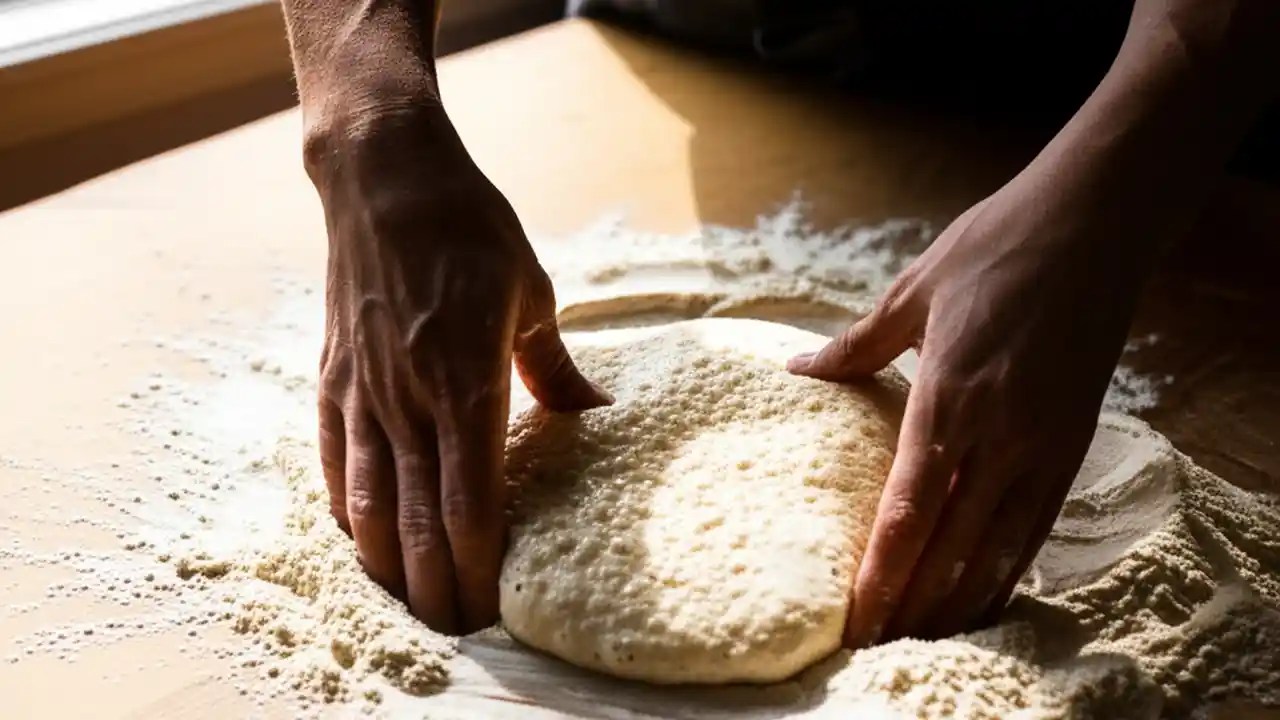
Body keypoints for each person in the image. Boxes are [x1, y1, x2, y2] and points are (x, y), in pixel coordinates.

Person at [277, 0, 1280, 646]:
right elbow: (361, 96)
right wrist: (363, 116)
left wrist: (1115, 191)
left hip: (1100, 84)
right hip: (693, 38)